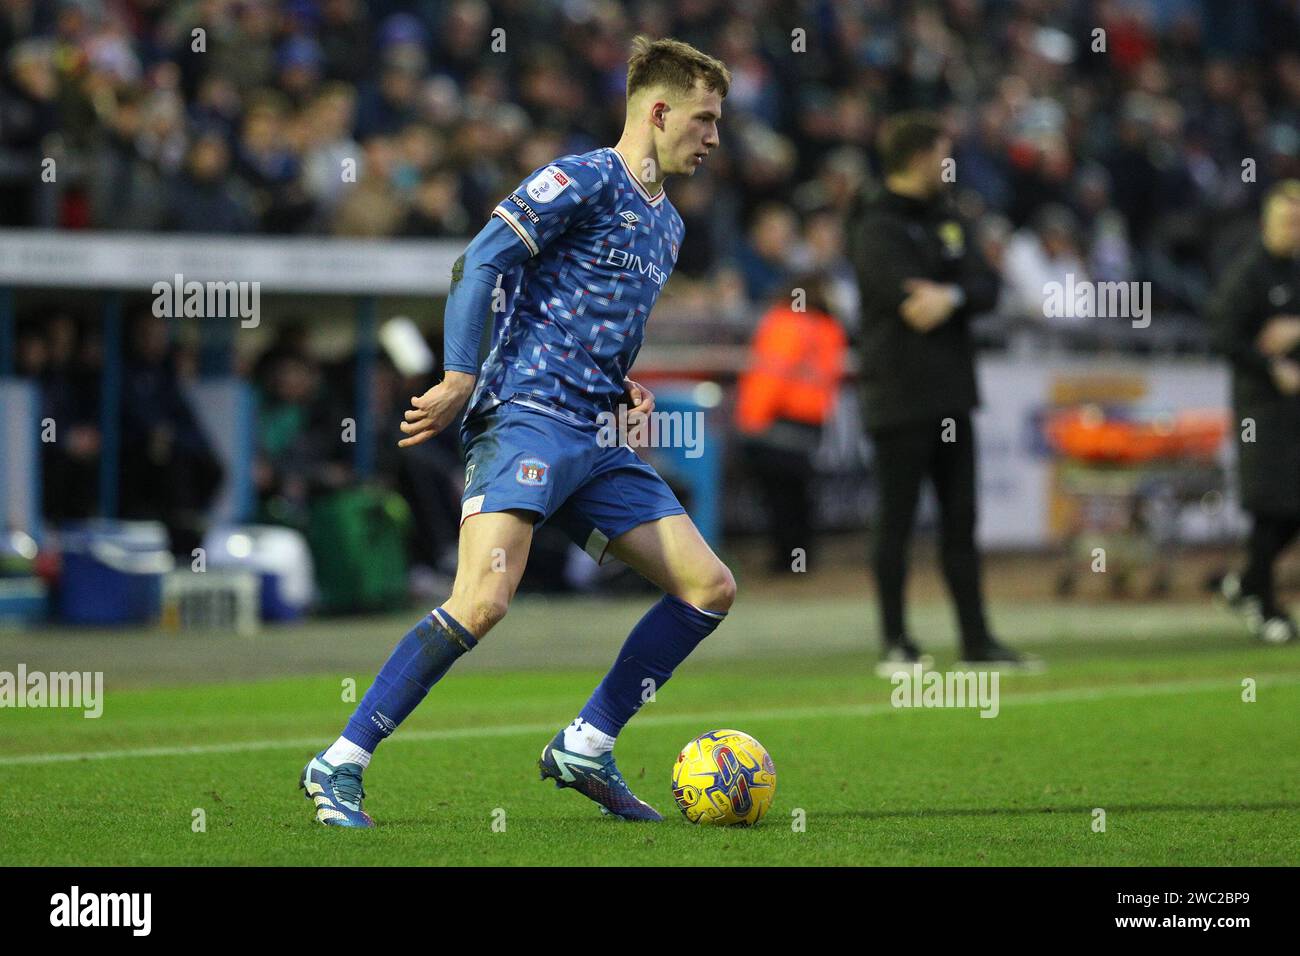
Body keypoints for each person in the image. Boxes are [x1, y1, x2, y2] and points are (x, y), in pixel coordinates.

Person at [301, 37, 734, 827]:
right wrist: (461, 376)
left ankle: (587, 743)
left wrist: (620, 384)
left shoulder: (667, 225)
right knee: (483, 599)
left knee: (708, 588)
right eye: (705, 120)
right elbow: (479, 262)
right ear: (661, 110)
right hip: (527, 418)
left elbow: (595, 314)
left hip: (595, 439)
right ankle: (339, 763)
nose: (714, 138)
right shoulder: (582, 178)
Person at [846, 111, 1038, 675]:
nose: (949, 164)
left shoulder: (949, 217)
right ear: (919, 157)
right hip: (899, 394)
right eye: (943, 153)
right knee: (897, 520)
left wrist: (951, 296)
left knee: (961, 522)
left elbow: (989, 287)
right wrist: (959, 293)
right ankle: (895, 643)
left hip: (953, 393)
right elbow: (911, 305)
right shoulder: (876, 223)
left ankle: (977, 641)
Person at [1209, 179, 1300, 644]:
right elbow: (1223, 336)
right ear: (1268, 221)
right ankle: (1264, 606)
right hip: (1260, 412)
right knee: (1270, 507)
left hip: (1294, 412)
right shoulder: (1249, 274)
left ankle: (1244, 584)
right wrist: (1269, 365)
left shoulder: (1295, 273)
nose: (1294, 227)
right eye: (1287, 218)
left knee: (1291, 510)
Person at [734, 273, 847, 572]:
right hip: (810, 424)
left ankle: (785, 561)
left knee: (778, 499)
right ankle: (801, 559)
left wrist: (751, 420)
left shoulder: (785, 322)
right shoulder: (829, 328)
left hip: (775, 424)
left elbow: (770, 375)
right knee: (800, 498)